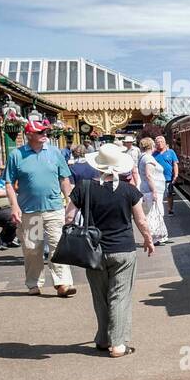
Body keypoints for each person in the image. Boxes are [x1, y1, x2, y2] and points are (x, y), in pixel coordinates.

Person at [67, 144, 155, 357]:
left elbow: (69, 217)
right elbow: (140, 220)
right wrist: (148, 239)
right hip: (123, 250)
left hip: (93, 251)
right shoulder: (129, 190)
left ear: (98, 166)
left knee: (100, 297)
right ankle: (118, 344)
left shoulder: (84, 188)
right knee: (120, 296)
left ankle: (104, 339)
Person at [4, 117, 74, 296]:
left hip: (53, 207)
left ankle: (63, 283)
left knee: (58, 246)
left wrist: (69, 201)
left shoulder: (54, 152)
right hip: (30, 210)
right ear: (29, 135)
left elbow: (64, 178)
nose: (45, 134)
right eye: (40, 132)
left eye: (45, 131)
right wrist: (14, 206)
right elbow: (9, 182)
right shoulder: (17, 155)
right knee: (33, 248)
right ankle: (34, 283)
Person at [137, 137, 169, 245]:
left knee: (155, 213)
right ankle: (154, 239)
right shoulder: (148, 159)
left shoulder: (145, 157)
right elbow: (149, 175)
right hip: (151, 191)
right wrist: (154, 191)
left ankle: (158, 237)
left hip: (149, 190)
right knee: (155, 213)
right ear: (151, 146)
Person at [0, 154, 19, 249]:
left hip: (1, 208)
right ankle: (5, 240)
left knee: (20, 213)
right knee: (13, 217)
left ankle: (10, 238)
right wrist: (12, 192)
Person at [153, 135, 179, 216]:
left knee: (169, 194)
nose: (160, 144)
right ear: (155, 144)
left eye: (161, 142)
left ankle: (170, 209)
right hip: (157, 178)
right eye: (158, 142)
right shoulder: (153, 154)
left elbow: (175, 164)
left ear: (165, 143)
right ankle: (159, 210)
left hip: (168, 177)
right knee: (158, 194)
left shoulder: (171, 152)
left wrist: (176, 175)